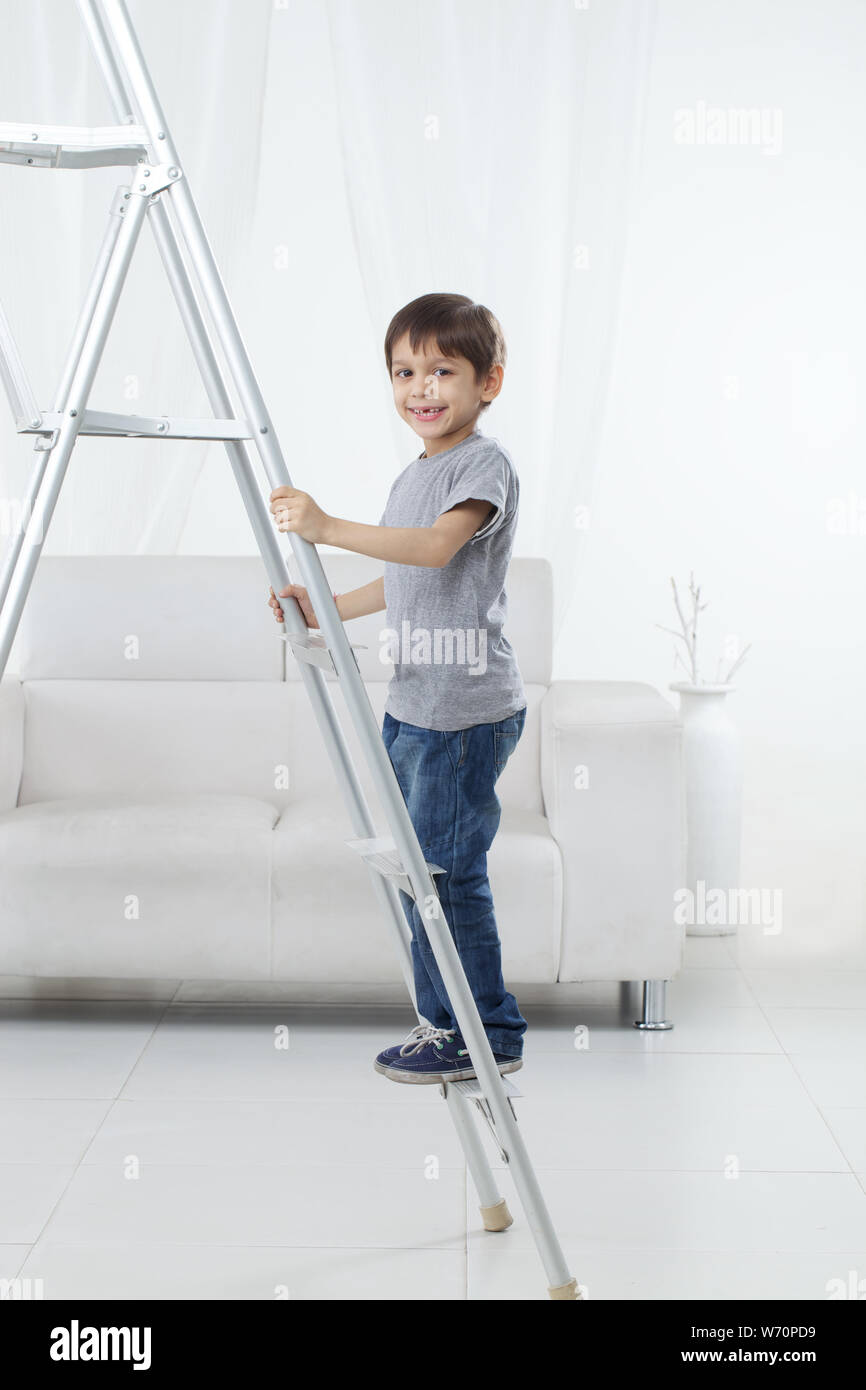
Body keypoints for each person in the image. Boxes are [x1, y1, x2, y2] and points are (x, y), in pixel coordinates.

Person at [266, 292, 527, 1083]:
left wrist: (324, 526)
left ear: (489, 383)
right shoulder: (416, 470)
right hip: (414, 705)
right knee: (423, 874)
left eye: (443, 370)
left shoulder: (482, 465)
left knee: (447, 876)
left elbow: (436, 550)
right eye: (405, 371)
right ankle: (444, 1021)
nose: (422, 387)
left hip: (461, 713)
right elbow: (401, 577)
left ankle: (486, 1031)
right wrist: (326, 613)